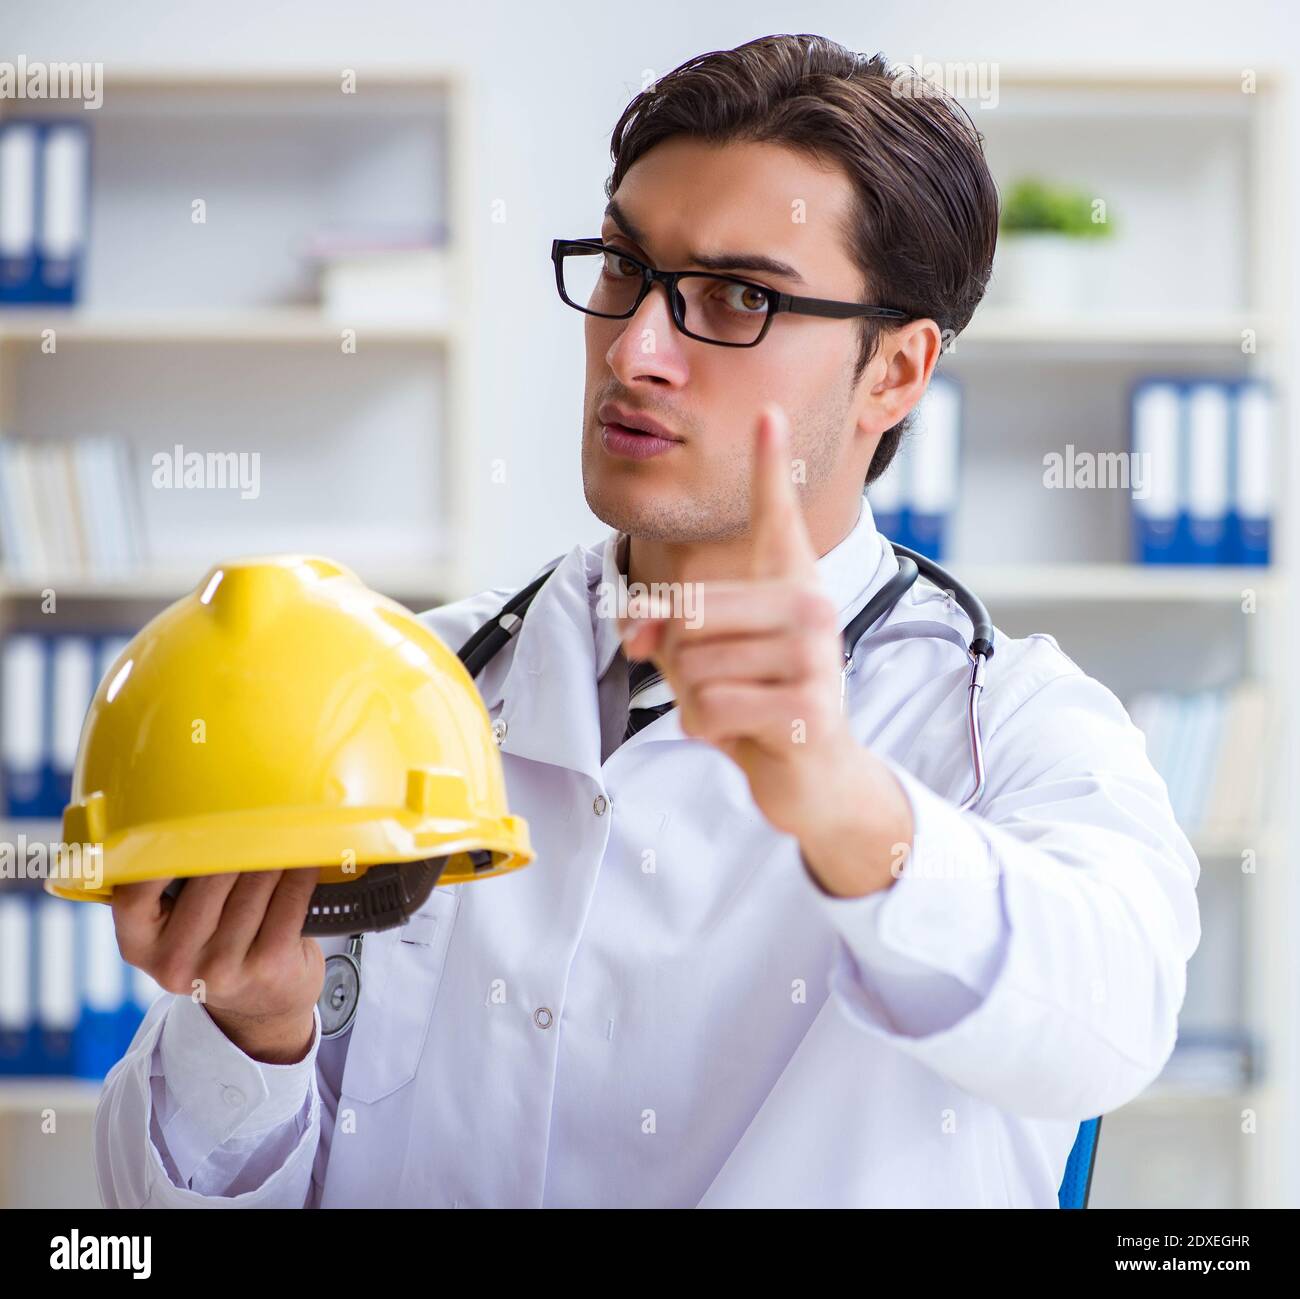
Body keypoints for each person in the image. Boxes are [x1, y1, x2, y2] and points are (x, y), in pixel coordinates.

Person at [94, 33, 1199, 1208]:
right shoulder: (407, 685)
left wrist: (838, 798)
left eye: (737, 295)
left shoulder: (1011, 722)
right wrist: (258, 1032)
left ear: (896, 371)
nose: (634, 349)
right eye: (624, 266)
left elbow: (1108, 1022)